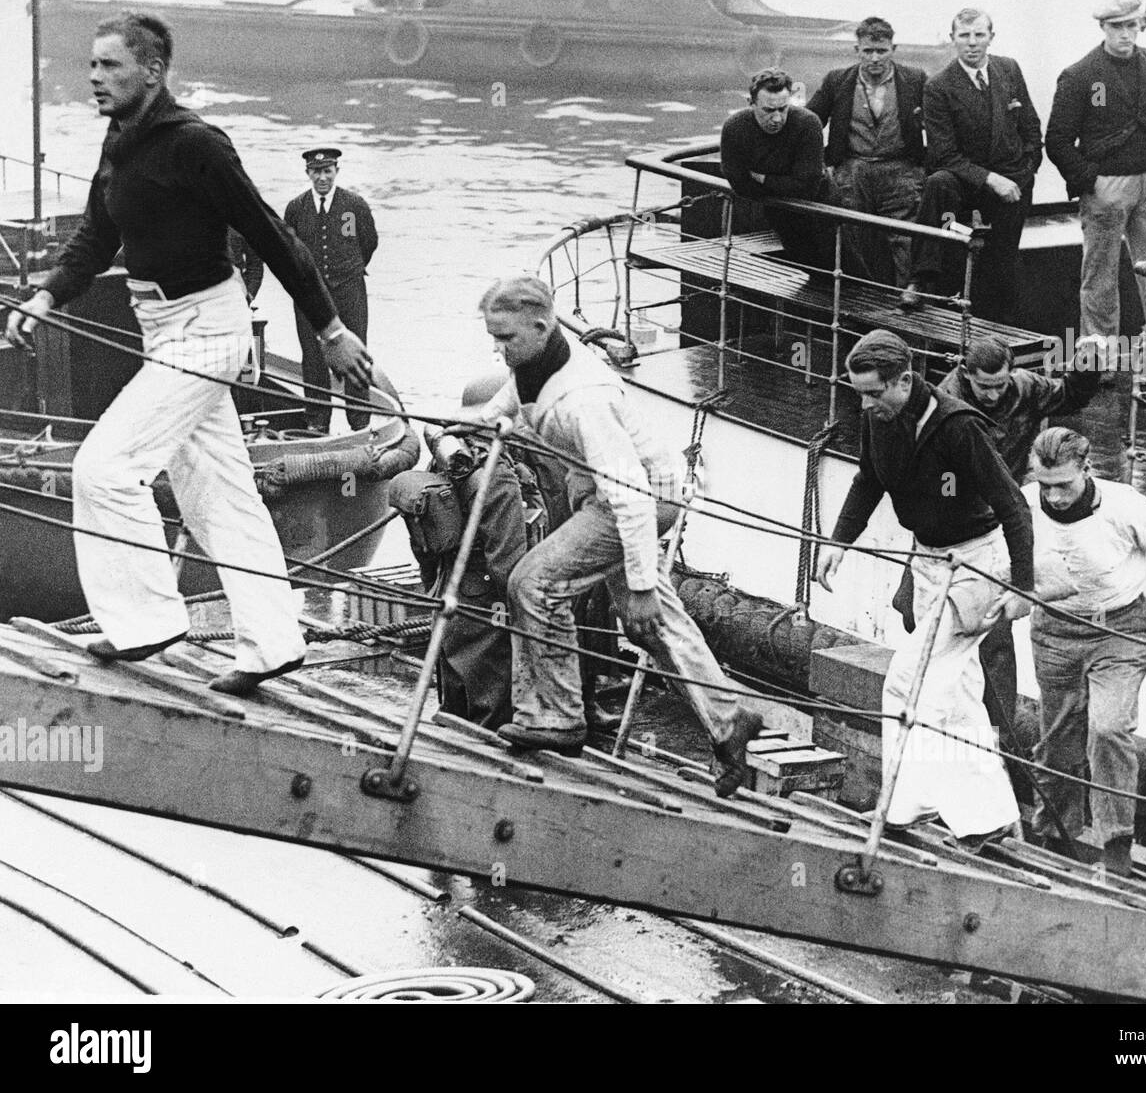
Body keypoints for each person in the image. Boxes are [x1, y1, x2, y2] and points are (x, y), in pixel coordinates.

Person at [2, 11, 371, 695]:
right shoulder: (121, 140)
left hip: (208, 327)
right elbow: (93, 235)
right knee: (220, 496)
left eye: (110, 66)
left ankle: (147, 621)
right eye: (91, 66)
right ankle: (274, 643)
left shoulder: (196, 144)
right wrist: (46, 298)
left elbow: (270, 235)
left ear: (152, 70)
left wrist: (329, 329)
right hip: (161, 324)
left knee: (105, 468)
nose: (94, 78)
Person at [467, 276, 761, 797]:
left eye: (506, 339)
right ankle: (728, 719)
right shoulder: (540, 359)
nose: (498, 349)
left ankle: (557, 717)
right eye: (493, 338)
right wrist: (481, 423)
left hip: (637, 499)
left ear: (540, 327)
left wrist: (643, 585)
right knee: (652, 626)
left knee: (533, 583)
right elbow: (517, 396)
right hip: (613, 495)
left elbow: (629, 497)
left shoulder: (585, 400)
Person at [816, 330, 1034, 847]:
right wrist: (838, 541)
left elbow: (1014, 507)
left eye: (873, 392)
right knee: (956, 697)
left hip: (975, 565)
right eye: (859, 393)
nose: (865, 404)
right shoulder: (880, 421)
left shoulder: (957, 428)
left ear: (906, 380)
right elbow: (869, 479)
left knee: (908, 683)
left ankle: (904, 806)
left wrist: (1022, 587)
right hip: (929, 562)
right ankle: (990, 816)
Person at [391, 371, 619, 733]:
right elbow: (507, 562)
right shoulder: (495, 472)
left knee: (462, 691)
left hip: (454, 593)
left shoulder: (451, 457)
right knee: (493, 704)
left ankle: (572, 706)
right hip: (488, 605)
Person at [1025, 427, 1146, 876]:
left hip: (1120, 628)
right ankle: (1054, 838)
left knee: (1107, 729)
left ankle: (1116, 846)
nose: (1055, 496)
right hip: (1054, 631)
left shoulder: (1123, 505)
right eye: (1045, 485)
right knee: (1058, 737)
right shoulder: (1023, 505)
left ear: (1086, 470)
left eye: (1064, 485)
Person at [936, 333, 1101, 731]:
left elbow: (1070, 397)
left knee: (995, 631)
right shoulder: (944, 403)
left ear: (1010, 375)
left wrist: (1088, 363)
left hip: (999, 520)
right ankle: (946, 701)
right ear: (965, 374)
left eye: (999, 386)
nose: (992, 396)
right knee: (924, 613)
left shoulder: (1024, 389)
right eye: (983, 387)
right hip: (950, 517)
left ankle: (998, 730)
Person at [1045, 0, 1146, 376]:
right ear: (1103, 28)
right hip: (1108, 187)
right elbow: (1057, 140)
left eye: (1132, 25)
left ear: (1141, 24)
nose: (1126, 34)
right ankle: (1099, 363)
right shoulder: (1080, 75)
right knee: (1100, 276)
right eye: (1117, 26)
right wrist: (1092, 180)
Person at [901, 8, 1042, 323]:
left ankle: (997, 329)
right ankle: (921, 276)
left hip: (1012, 180)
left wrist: (1028, 170)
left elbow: (1031, 127)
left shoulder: (1010, 70)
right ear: (953, 40)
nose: (972, 43)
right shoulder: (939, 87)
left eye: (979, 35)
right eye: (964, 36)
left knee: (1001, 262)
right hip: (966, 184)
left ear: (992, 37)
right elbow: (943, 153)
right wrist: (991, 179)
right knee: (939, 184)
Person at [806, 16, 928, 288]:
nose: (875, 58)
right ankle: (859, 295)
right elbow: (810, 122)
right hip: (853, 168)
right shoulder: (838, 80)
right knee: (852, 234)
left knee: (905, 235)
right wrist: (821, 163)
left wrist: (926, 164)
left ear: (893, 50)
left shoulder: (915, 79)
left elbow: (938, 123)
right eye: (868, 51)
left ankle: (909, 292)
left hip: (900, 167)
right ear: (856, 51)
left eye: (882, 51)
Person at [720, 68, 864, 276]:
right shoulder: (735, 128)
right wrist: (785, 184)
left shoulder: (807, 123)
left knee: (849, 273)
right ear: (751, 104)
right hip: (780, 213)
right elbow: (739, 182)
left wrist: (762, 178)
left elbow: (806, 186)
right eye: (769, 111)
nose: (777, 119)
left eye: (783, 109)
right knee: (809, 270)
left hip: (821, 208)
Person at [284, 146, 379, 432]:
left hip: (349, 289)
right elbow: (288, 249)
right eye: (316, 172)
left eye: (327, 171)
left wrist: (349, 268)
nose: (322, 177)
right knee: (312, 356)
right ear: (308, 174)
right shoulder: (296, 208)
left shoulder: (355, 205)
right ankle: (317, 422)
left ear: (337, 171)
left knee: (355, 352)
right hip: (309, 293)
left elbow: (369, 242)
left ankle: (360, 422)